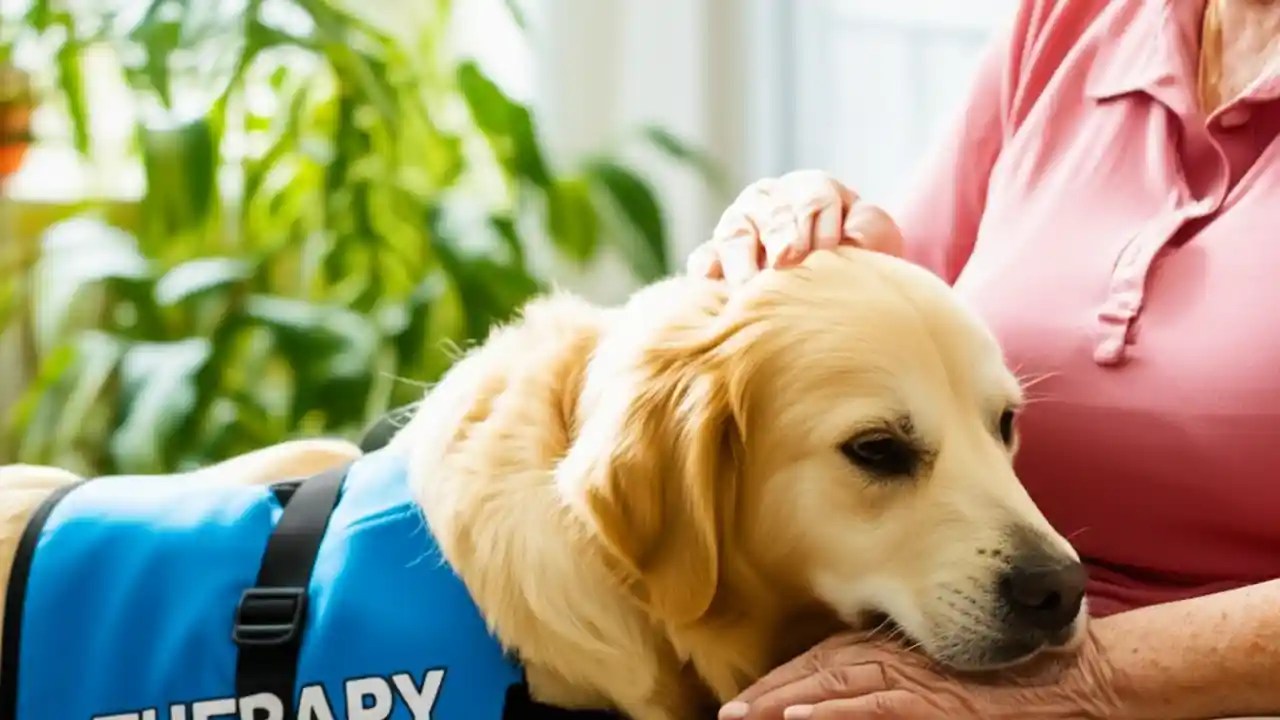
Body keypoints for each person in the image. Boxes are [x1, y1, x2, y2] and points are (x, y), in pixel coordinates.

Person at [694, 0, 1280, 718]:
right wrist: (808, 245)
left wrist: (1095, 681)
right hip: (917, 659)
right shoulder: (1069, 21)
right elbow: (911, 318)